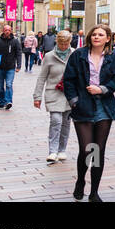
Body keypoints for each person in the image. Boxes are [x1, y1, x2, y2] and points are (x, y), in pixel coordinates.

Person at [62, 24, 115, 202]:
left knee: (98, 149)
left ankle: (94, 191)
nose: (96, 37)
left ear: (108, 39)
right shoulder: (79, 55)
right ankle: (80, 181)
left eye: (100, 34)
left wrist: (102, 89)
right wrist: (74, 101)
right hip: (83, 105)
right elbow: (68, 79)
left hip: (104, 106)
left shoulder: (113, 58)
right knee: (87, 149)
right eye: (94, 34)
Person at [32, 29, 74, 163]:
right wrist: (37, 96)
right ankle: (53, 151)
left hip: (69, 94)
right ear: (57, 42)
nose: (63, 46)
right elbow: (42, 77)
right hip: (53, 92)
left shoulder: (74, 54)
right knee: (56, 121)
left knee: (66, 123)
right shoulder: (49, 56)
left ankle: (62, 150)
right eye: (61, 44)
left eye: (66, 44)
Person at [0, 24, 23, 110]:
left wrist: (19, 65)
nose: (7, 32)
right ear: (3, 31)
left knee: (9, 84)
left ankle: (8, 101)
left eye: (9, 30)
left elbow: (18, 53)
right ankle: (1, 102)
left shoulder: (15, 41)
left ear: (11, 31)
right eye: (6, 30)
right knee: (0, 87)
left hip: (10, 67)